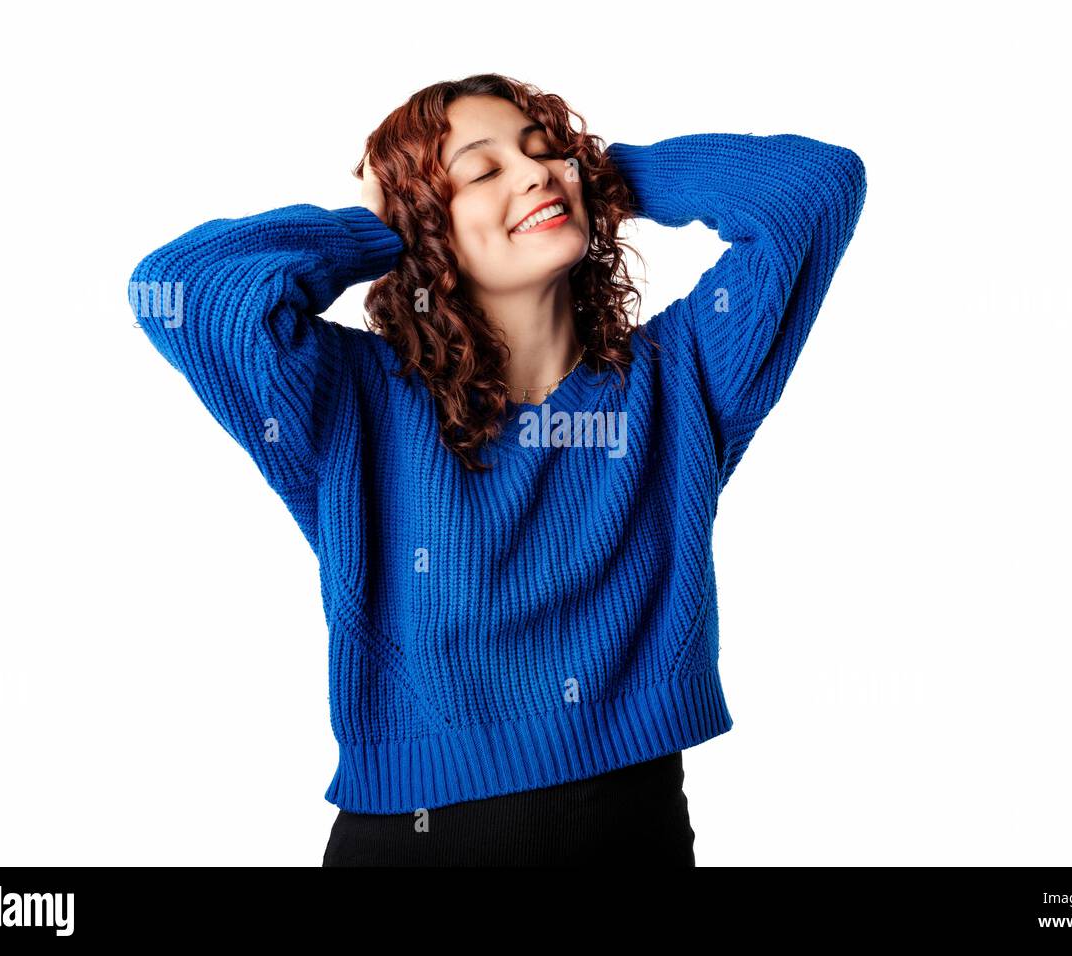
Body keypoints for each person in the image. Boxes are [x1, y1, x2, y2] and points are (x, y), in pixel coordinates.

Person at [128, 73, 866, 866]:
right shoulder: (350, 402)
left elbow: (814, 190)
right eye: (482, 171)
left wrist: (606, 172)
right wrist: (373, 228)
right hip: (418, 843)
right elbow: (180, 289)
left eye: (548, 153)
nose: (535, 173)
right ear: (425, 225)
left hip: (634, 832)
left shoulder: (684, 376)